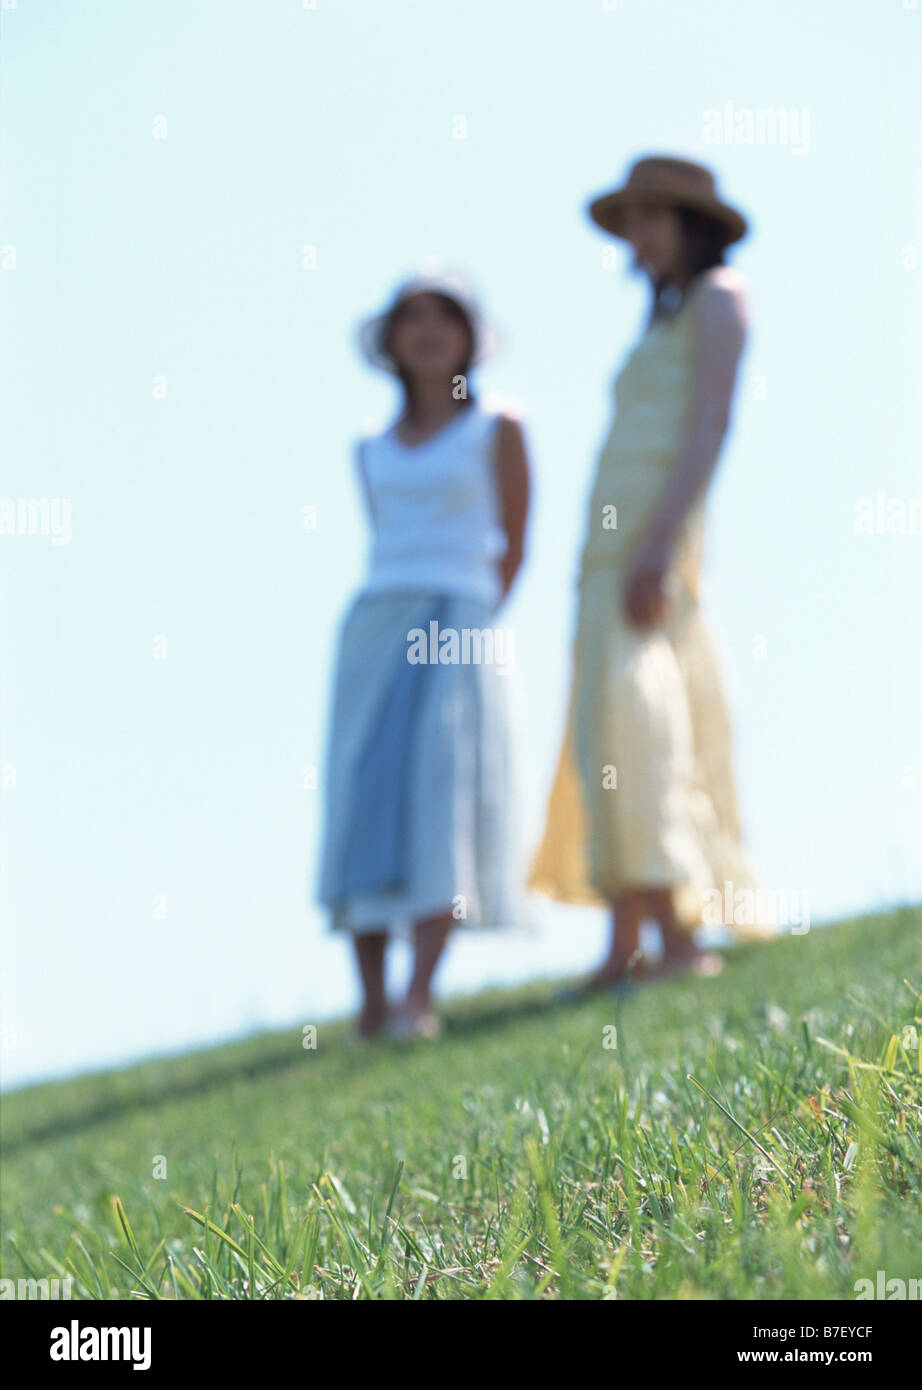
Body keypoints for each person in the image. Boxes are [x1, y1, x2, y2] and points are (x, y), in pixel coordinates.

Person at [529, 155, 777, 986]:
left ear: (688, 223)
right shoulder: (658, 320)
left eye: (648, 220)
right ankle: (627, 942)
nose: (634, 240)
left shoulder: (721, 300)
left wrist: (660, 547)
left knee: (646, 732)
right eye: (628, 222)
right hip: (607, 556)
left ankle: (679, 942)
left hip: (650, 552)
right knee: (606, 733)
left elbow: (712, 426)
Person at [316, 270, 531, 1037]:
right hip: (377, 624)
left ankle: (420, 995)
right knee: (365, 791)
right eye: (414, 318)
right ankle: (371, 1000)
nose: (430, 331)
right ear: (391, 340)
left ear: (471, 337)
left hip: (459, 621)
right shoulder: (367, 448)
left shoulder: (498, 427)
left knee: (444, 797)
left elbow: (513, 545)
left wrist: (467, 617)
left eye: (447, 316)